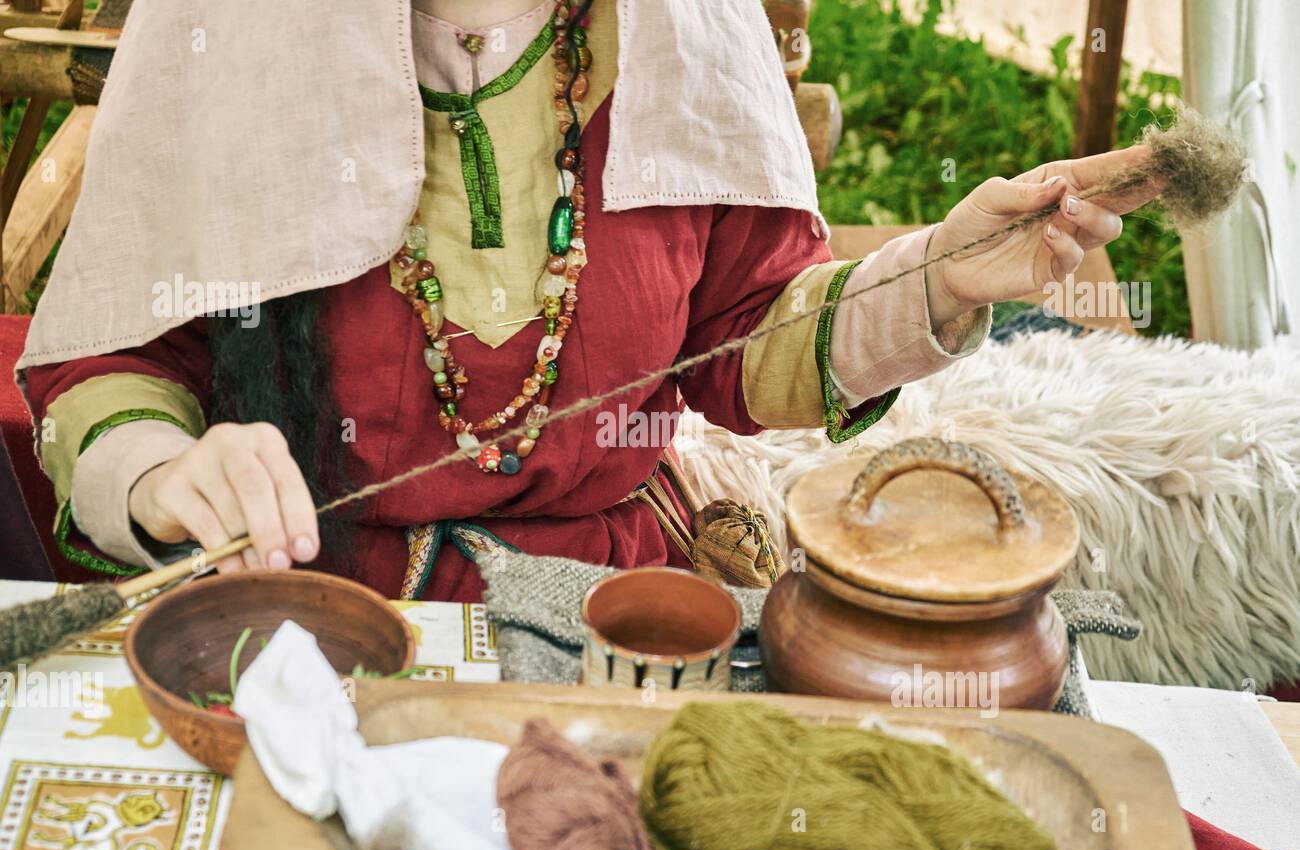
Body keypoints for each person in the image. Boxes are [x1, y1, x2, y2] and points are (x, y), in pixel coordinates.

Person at [17, 0, 1156, 601]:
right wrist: (165, 474)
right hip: (303, 613)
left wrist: (936, 278)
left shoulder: (675, 31)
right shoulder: (227, 31)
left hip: (616, 615)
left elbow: (740, 342)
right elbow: (116, 355)